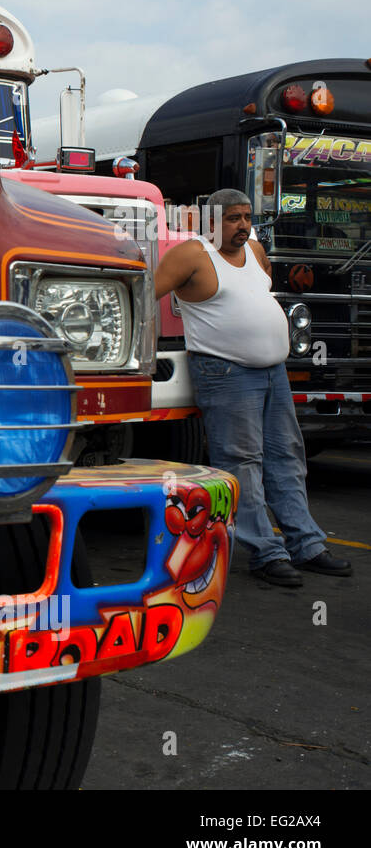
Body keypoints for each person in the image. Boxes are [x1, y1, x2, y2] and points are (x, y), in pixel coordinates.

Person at [152, 188, 351, 586]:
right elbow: (142, 294)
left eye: (246, 217)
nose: (243, 226)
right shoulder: (190, 255)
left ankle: (306, 544)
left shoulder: (255, 251)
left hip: (272, 372)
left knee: (287, 458)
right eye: (232, 219)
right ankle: (265, 552)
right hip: (225, 373)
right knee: (242, 462)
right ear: (210, 220)